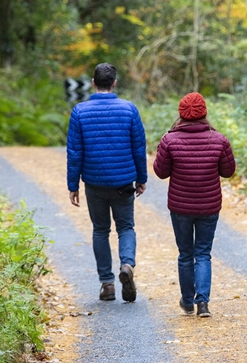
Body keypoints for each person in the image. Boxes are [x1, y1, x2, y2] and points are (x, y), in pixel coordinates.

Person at [66, 63, 148, 302]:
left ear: (93, 83)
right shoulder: (129, 109)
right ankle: (127, 266)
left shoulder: (79, 111)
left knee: (100, 230)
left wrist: (73, 185)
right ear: (114, 83)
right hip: (123, 182)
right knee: (125, 228)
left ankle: (107, 285)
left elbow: (75, 152)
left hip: (94, 183)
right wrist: (141, 178)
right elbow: (138, 147)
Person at [153, 93, 236, 318]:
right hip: (209, 206)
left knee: (185, 254)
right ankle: (203, 303)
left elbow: (160, 172)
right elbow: (228, 172)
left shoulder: (169, 140)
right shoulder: (219, 140)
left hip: (180, 207)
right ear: (204, 112)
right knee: (203, 253)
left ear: (181, 114)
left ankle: (188, 302)